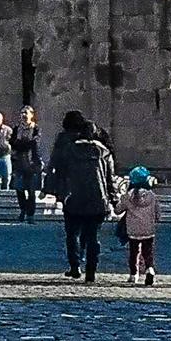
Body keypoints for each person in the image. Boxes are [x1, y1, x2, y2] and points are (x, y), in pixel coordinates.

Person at [44, 109, 119, 281]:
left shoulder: (68, 149)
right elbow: (110, 178)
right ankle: (91, 271)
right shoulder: (104, 153)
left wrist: (56, 191)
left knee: (72, 234)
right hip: (98, 199)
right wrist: (114, 199)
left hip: (73, 197)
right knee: (93, 236)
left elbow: (59, 170)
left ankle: (75, 265)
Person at [117, 167, 161, 285]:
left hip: (133, 229)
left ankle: (133, 275)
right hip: (148, 229)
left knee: (134, 253)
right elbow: (157, 212)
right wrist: (155, 220)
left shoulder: (128, 196)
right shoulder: (152, 196)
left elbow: (118, 210)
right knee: (148, 252)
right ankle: (150, 269)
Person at [9, 106, 45, 219]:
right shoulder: (16, 129)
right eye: (22, 113)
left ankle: (30, 214)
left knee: (31, 189)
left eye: (26, 113)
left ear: (31, 114)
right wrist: (22, 144)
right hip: (19, 162)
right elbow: (12, 143)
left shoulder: (36, 129)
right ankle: (23, 209)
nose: (24, 115)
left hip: (31, 162)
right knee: (19, 188)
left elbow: (35, 143)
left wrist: (21, 144)